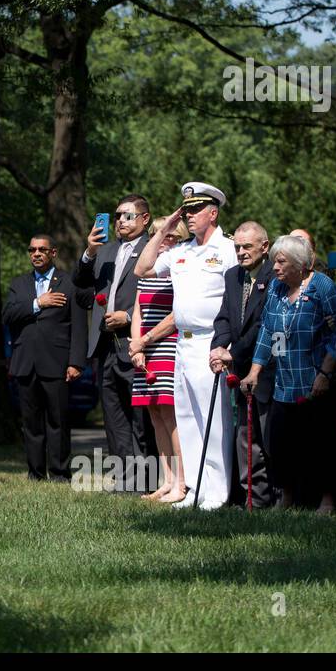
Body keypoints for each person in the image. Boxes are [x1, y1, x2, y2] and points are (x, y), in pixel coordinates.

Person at [134, 182, 236, 509]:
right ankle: (194, 489)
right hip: (183, 343)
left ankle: (217, 494)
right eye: (186, 211)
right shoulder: (181, 250)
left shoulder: (227, 249)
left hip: (212, 341)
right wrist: (163, 228)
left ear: (213, 212)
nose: (189, 216)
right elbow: (143, 268)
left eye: (195, 210)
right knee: (188, 419)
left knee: (213, 421)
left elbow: (236, 299)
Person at [240, 234, 336, 513]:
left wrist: (325, 373)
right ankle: (285, 498)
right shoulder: (276, 289)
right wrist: (255, 370)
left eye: (281, 261)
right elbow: (267, 331)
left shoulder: (323, 287)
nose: (275, 267)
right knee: (281, 443)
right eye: (275, 261)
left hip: (318, 381)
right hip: (285, 381)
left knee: (322, 443)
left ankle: (327, 501)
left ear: (301, 264)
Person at [75, 195, 153, 491]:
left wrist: (129, 315)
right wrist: (89, 253)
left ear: (144, 219)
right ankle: (125, 482)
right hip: (105, 344)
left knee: (140, 417)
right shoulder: (105, 251)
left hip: (135, 344)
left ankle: (146, 481)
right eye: (117, 215)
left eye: (127, 215)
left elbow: (159, 294)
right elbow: (80, 286)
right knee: (114, 416)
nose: (120, 220)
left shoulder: (153, 249)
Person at [4, 234, 86, 482]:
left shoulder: (69, 283)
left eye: (42, 249)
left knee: (58, 421)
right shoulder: (19, 284)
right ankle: (35, 473)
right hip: (25, 362)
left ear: (53, 253)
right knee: (31, 423)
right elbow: (8, 315)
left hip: (57, 363)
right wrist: (38, 303)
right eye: (32, 250)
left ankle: (60, 473)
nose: (36, 254)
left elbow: (79, 326)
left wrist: (76, 362)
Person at [209, 221, 276, 509]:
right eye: (237, 246)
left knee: (269, 435)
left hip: (268, 368)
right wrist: (220, 346)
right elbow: (224, 316)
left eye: (247, 246)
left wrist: (232, 352)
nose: (240, 252)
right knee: (245, 438)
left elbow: (263, 323)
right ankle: (253, 500)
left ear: (265, 246)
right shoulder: (233, 276)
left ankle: (280, 499)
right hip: (238, 369)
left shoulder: (276, 276)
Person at [130, 215, 188, 501]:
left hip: (169, 345)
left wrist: (146, 339)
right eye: (156, 235)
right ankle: (166, 480)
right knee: (154, 414)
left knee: (170, 414)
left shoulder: (180, 268)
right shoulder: (148, 270)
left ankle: (182, 482)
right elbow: (138, 310)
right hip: (144, 348)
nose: (162, 240)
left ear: (178, 238)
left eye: (168, 236)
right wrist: (136, 347)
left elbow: (178, 315)